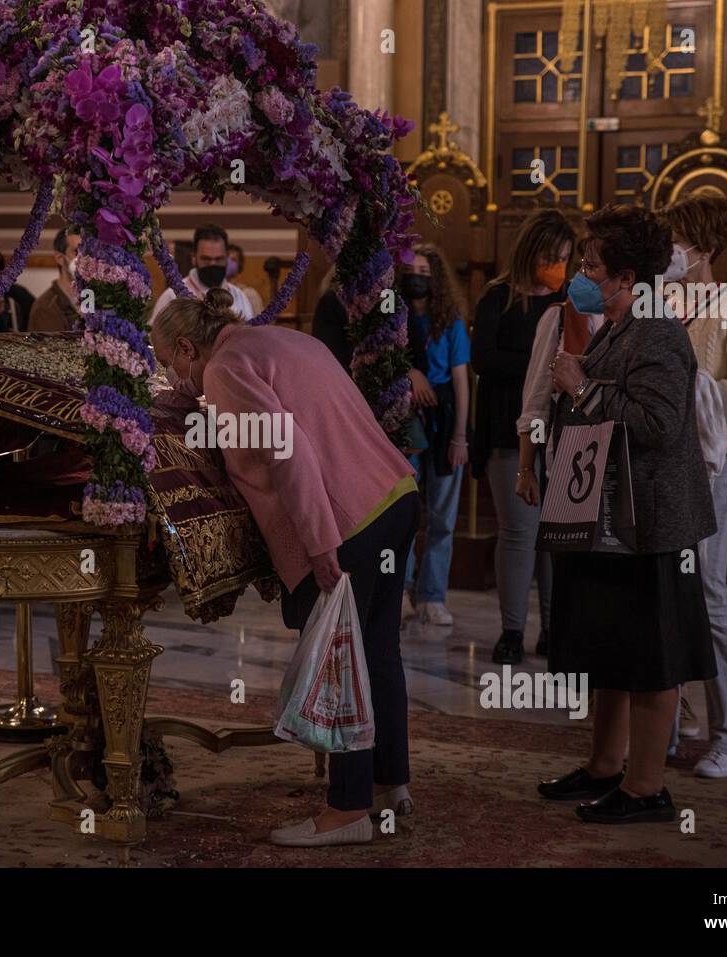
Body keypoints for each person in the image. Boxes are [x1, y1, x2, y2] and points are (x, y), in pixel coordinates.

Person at [152, 288, 419, 848]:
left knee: (342, 658)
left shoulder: (225, 368)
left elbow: (287, 450)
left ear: (185, 347)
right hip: (394, 494)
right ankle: (388, 782)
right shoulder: (283, 339)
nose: (173, 379)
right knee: (377, 649)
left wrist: (322, 545)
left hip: (347, 520)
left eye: (168, 365)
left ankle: (347, 809)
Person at [538, 203, 717, 824]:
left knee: (649, 654)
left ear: (625, 276)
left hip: (651, 524)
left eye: (591, 265)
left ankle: (647, 789)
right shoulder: (617, 328)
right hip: (608, 520)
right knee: (610, 648)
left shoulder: (659, 332)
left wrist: (581, 389)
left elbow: (659, 425)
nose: (581, 273)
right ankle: (604, 766)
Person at [655, 194, 727, 777]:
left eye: (680, 239)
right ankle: (664, 731)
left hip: (714, 463)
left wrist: (687, 390)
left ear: (704, 248)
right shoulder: (661, 300)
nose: (671, 248)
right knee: (666, 593)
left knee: (708, 592)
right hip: (662, 464)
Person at [470, 209, 573, 663]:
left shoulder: (570, 300)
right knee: (518, 531)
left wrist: (548, 371)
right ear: (531, 252)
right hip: (507, 427)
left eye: (566, 258)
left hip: (561, 431)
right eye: (550, 256)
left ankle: (554, 628)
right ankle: (512, 630)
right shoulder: (499, 297)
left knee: (556, 536)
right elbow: (483, 359)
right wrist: (541, 370)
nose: (557, 266)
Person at [514, 286, 606, 654]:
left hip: (620, 463)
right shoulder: (559, 317)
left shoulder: (640, 320)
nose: (585, 275)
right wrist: (526, 467)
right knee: (571, 569)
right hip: (572, 459)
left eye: (594, 265)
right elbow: (537, 400)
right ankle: (571, 657)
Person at [399, 244, 471, 625]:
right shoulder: (392, 315)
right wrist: (411, 373)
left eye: (426, 272)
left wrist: (460, 436)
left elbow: (461, 381)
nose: (418, 278)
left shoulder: (451, 320)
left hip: (444, 422)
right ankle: (399, 588)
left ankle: (432, 595)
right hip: (406, 419)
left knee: (443, 514)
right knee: (406, 512)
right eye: (412, 270)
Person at [150, 224, 255, 324]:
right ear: (194, 258)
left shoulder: (240, 297)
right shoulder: (172, 297)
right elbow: (153, 338)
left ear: (227, 257)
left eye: (218, 259)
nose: (213, 264)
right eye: (206, 259)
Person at [30, 227, 82, 332]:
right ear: (60, 259)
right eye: (77, 252)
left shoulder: (94, 298)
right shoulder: (46, 308)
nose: (85, 258)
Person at [227, 242, 264, 315]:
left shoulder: (249, 294)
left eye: (233, 260)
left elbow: (260, 323)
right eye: (226, 258)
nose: (228, 262)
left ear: (239, 265)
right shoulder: (210, 292)